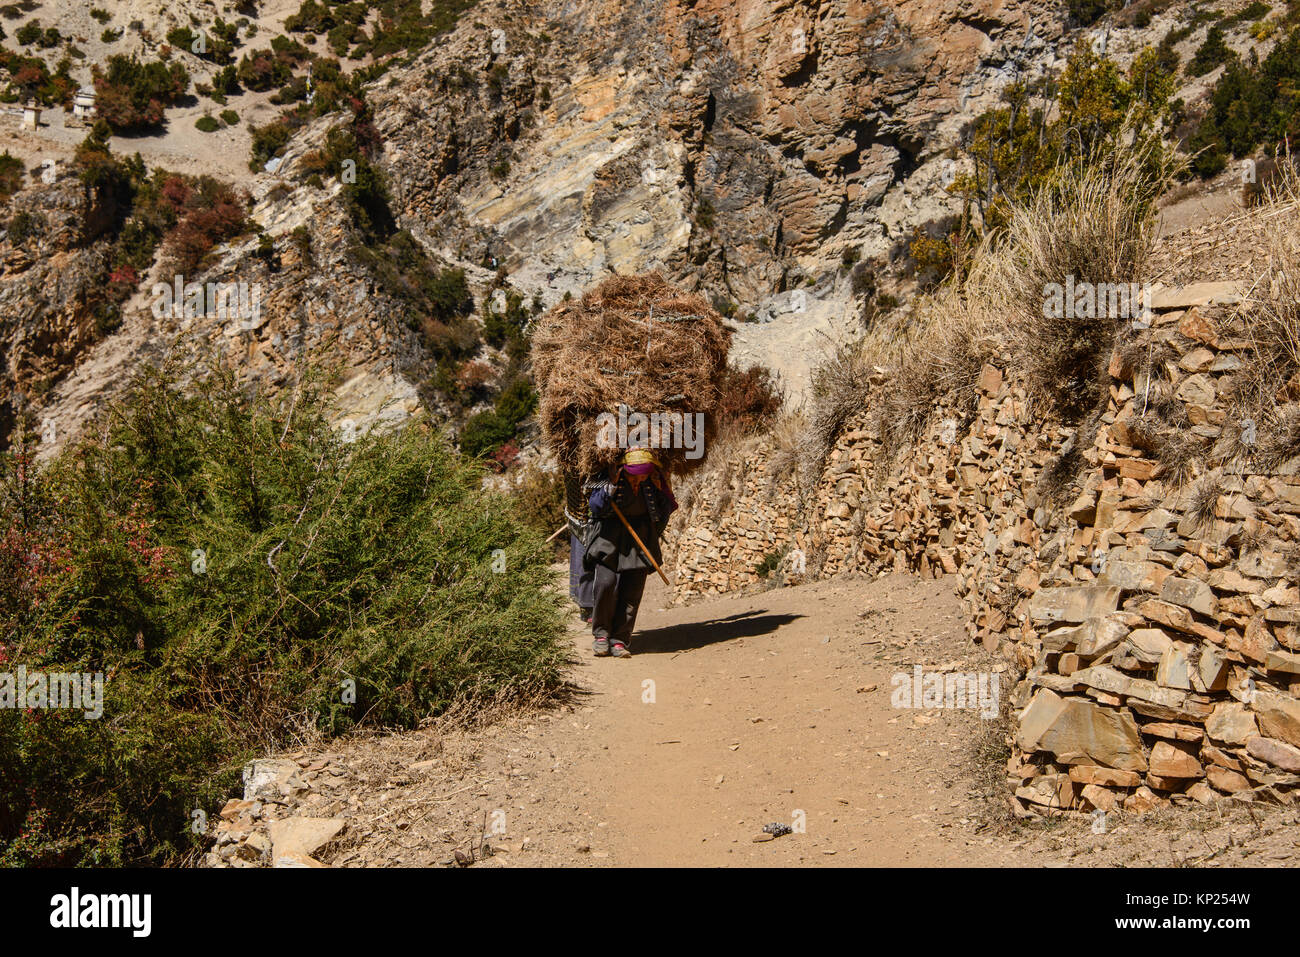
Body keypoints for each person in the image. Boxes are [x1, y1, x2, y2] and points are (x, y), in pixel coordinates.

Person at [584, 447, 676, 657]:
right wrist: (613, 485)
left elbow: (666, 509)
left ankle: (620, 640)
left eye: (643, 473)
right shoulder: (611, 478)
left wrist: (664, 488)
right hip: (610, 538)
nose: (639, 478)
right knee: (605, 584)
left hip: (641, 538)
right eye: (635, 474)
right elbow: (595, 507)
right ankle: (601, 635)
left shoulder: (653, 482)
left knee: (632, 591)